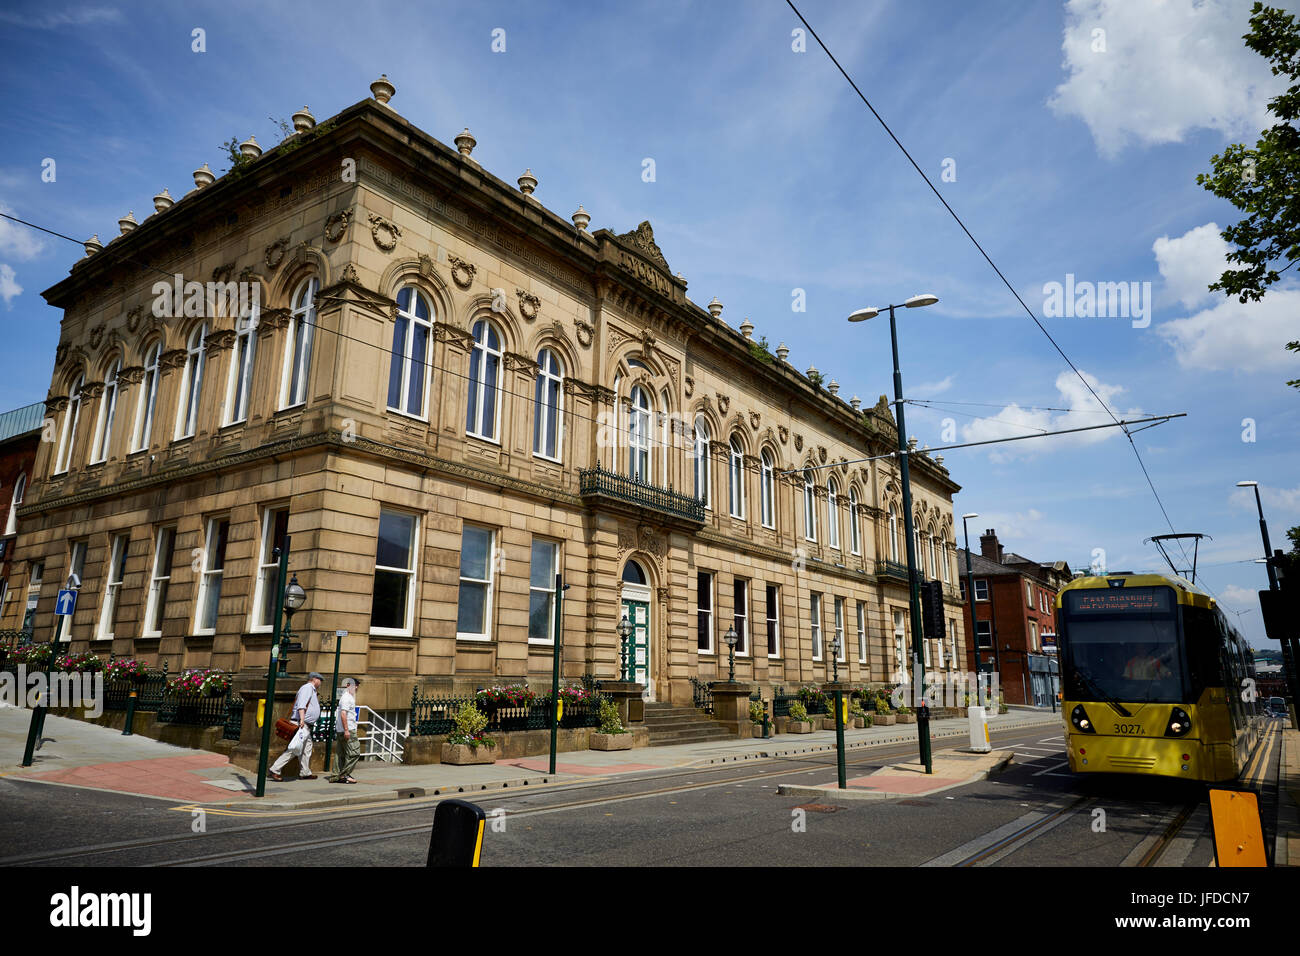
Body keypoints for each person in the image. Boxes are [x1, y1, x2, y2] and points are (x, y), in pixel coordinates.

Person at [269, 672, 323, 781]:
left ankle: (305, 772)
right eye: (320, 680)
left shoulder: (311, 689)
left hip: (305, 725)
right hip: (301, 724)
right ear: (315, 679)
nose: (321, 683)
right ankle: (275, 769)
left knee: (306, 748)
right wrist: (302, 719)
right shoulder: (307, 688)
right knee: (295, 748)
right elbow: (301, 704)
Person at [329, 677, 361, 784]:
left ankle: (335, 776)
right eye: (354, 685)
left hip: (341, 730)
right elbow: (343, 714)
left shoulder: (346, 697)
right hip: (347, 730)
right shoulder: (347, 698)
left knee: (340, 754)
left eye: (356, 686)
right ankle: (344, 775)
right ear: (348, 685)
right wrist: (347, 730)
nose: (356, 688)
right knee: (354, 753)